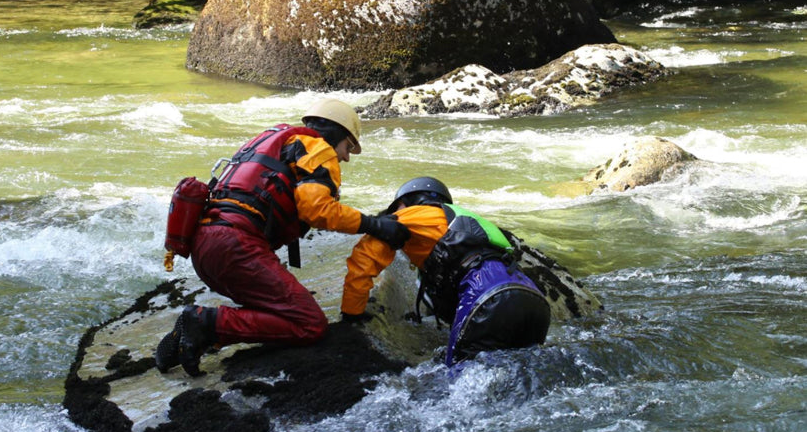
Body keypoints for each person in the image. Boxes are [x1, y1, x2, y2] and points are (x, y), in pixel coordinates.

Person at [156, 98, 410, 376]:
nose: (346, 157)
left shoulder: (275, 139)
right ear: (336, 134)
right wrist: (375, 225)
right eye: (348, 147)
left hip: (206, 245)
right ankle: (203, 323)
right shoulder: (319, 148)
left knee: (281, 309)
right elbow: (317, 209)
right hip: (237, 246)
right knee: (309, 323)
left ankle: (196, 338)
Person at [340, 177, 551, 366]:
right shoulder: (461, 219)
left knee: (460, 383)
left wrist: (352, 314)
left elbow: (363, 260)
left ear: (403, 204)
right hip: (533, 300)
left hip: (489, 296)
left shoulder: (405, 217)